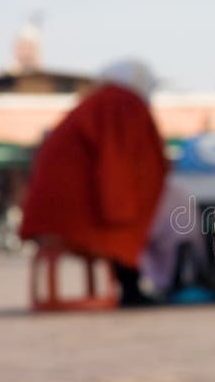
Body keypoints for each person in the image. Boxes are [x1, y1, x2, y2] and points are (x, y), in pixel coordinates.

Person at [20, 59, 168, 307]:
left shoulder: (98, 101)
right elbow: (117, 160)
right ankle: (136, 287)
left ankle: (135, 284)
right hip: (81, 212)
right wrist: (120, 206)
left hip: (58, 210)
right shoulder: (120, 103)